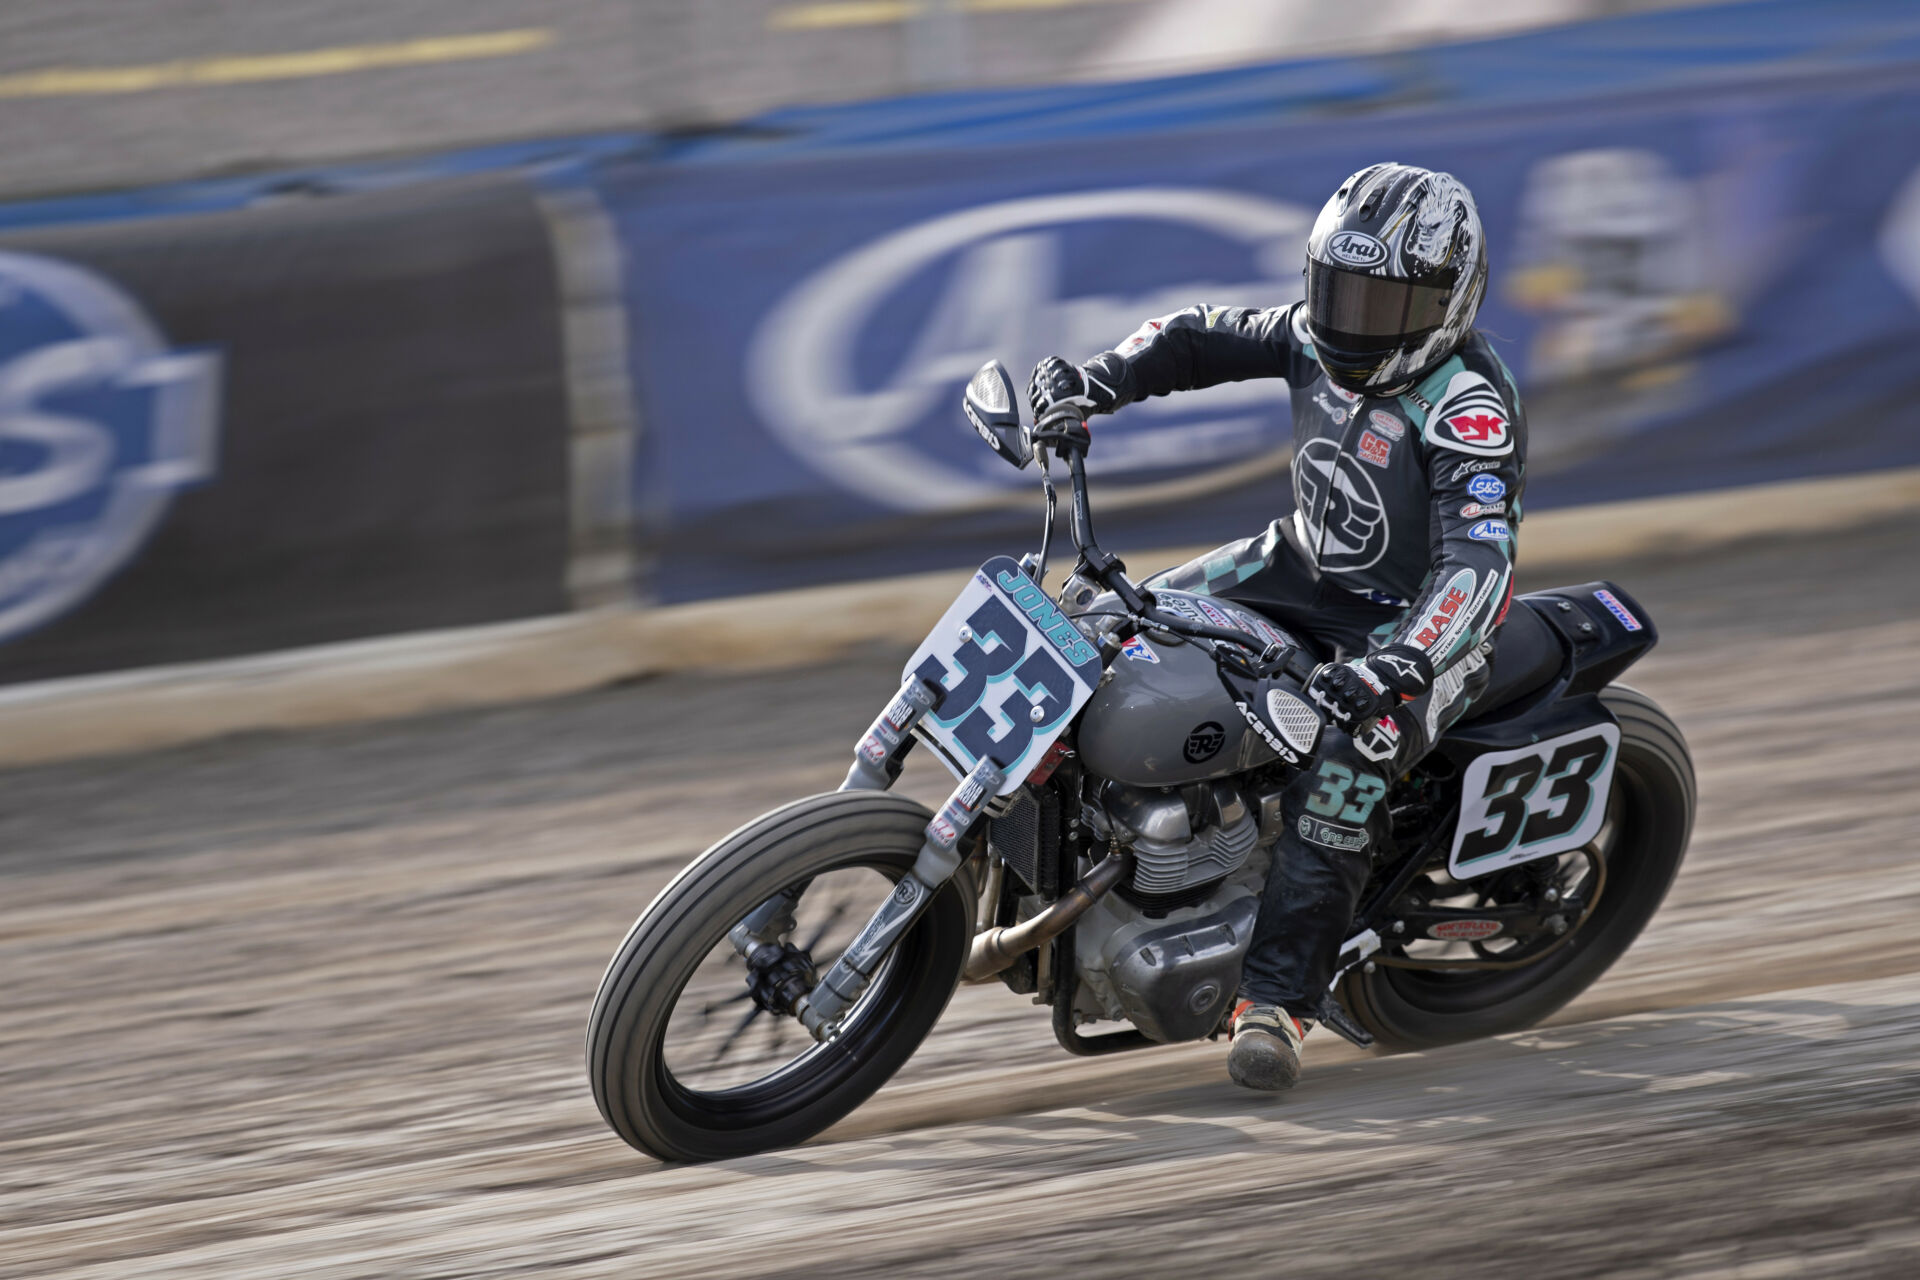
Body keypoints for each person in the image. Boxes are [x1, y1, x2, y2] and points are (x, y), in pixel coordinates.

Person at [1028, 162, 1527, 1091]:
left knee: (1343, 767)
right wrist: (1093, 384)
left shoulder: (1467, 406)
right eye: (1338, 292)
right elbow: (1191, 338)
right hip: (1295, 565)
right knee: (1102, 622)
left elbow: (1478, 564)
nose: (1350, 322)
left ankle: (1277, 1002)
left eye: (1383, 303)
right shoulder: (1310, 334)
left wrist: (1403, 661)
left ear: (1450, 300)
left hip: (1415, 629)